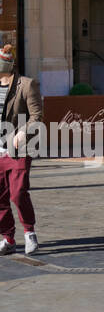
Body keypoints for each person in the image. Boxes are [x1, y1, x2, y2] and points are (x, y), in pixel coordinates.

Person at [0, 44, 42, 255]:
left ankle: (29, 232)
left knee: (17, 193)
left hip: (19, 149)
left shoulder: (26, 85)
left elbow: (37, 117)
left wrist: (23, 132)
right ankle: (8, 238)